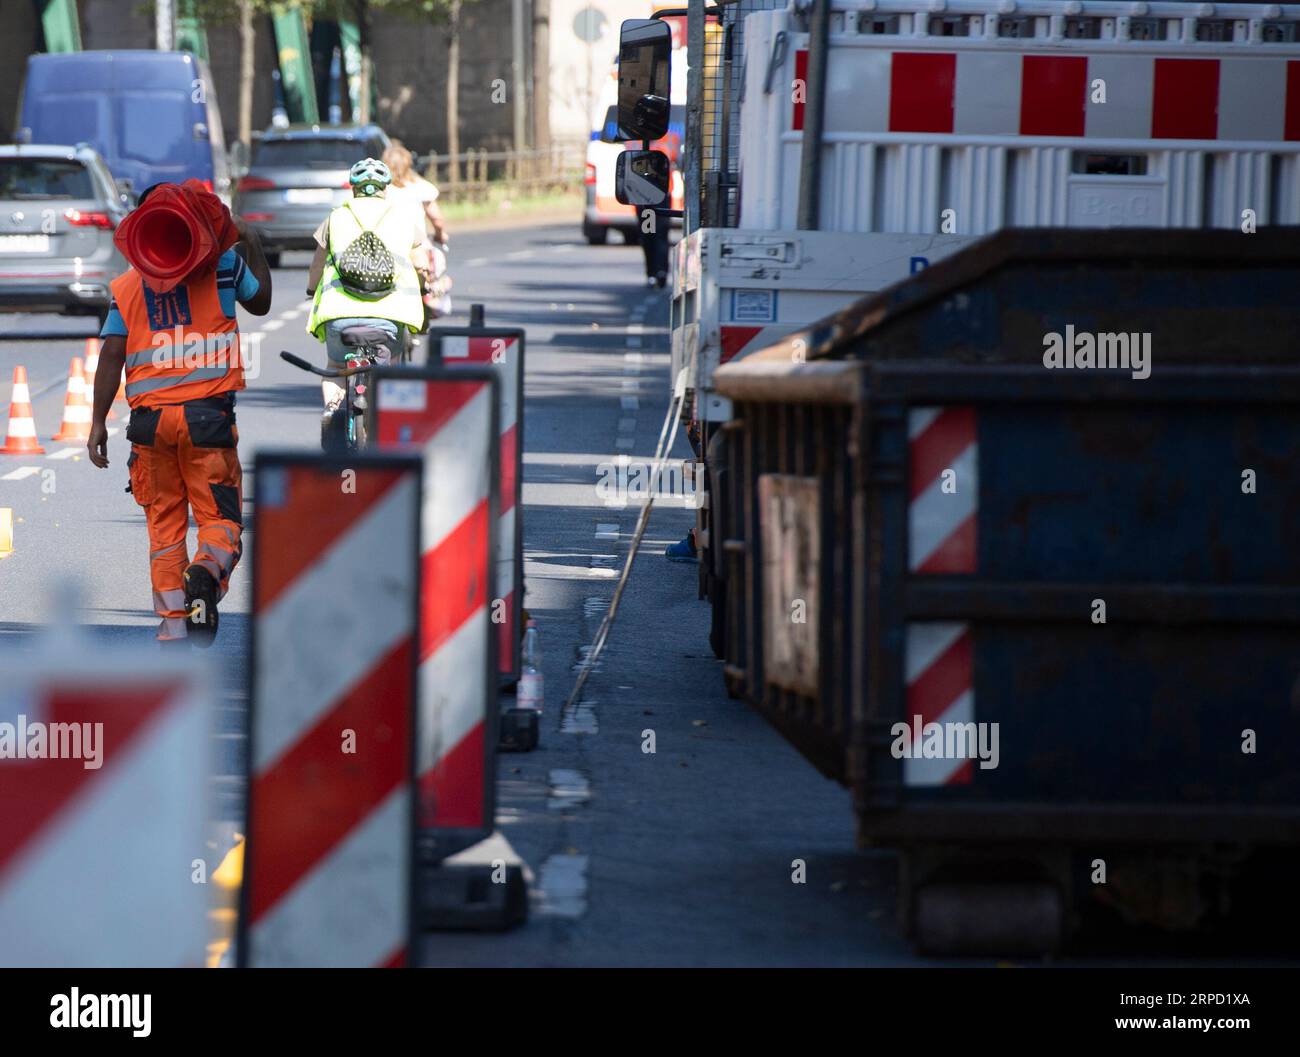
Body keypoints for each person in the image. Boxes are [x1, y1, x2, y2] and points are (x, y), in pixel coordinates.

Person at [87, 183, 272, 646]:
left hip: (149, 426)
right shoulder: (226, 266)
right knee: (220, 521)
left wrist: (96, 424)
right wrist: (248, 239)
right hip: (208, 421)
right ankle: (206, 574)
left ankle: (173, 628)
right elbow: (263, 301)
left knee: (165, 529)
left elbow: (111, 355)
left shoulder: (127, 286)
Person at [305, 157, 426, 437]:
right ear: (386, 188)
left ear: (354, 188)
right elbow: (421, 265)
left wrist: (313, 289)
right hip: (391, 316)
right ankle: (384, 423)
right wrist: (424, 286)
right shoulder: (403, 219)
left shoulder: (335, 217)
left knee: (336, 366)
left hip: (339, 315)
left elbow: (316, 266)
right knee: (390, 365)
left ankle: (332, 409)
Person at [383, 141, 452, 319]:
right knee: (433, 268)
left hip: (387, 246)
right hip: (417, 245)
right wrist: (440, 234)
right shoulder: (420, 187)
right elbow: (436, 218)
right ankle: (431, 296)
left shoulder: (381, 189)